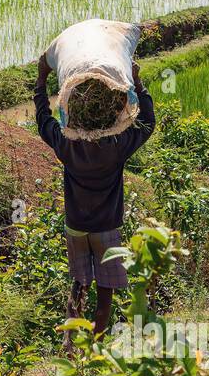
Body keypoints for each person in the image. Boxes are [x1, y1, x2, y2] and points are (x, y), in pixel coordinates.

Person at [35, 56, 154, 343]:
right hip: (106, 228)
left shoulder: (67, 145)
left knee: (78, 285)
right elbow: (147, 124)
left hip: (76, 226)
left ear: (75, 112)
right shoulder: (116, 146)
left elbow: (43, 121)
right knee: (105, 292)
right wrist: (137, 82)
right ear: (110, 114)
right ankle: (95, 347)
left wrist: (41, 81)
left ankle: (71, 348)